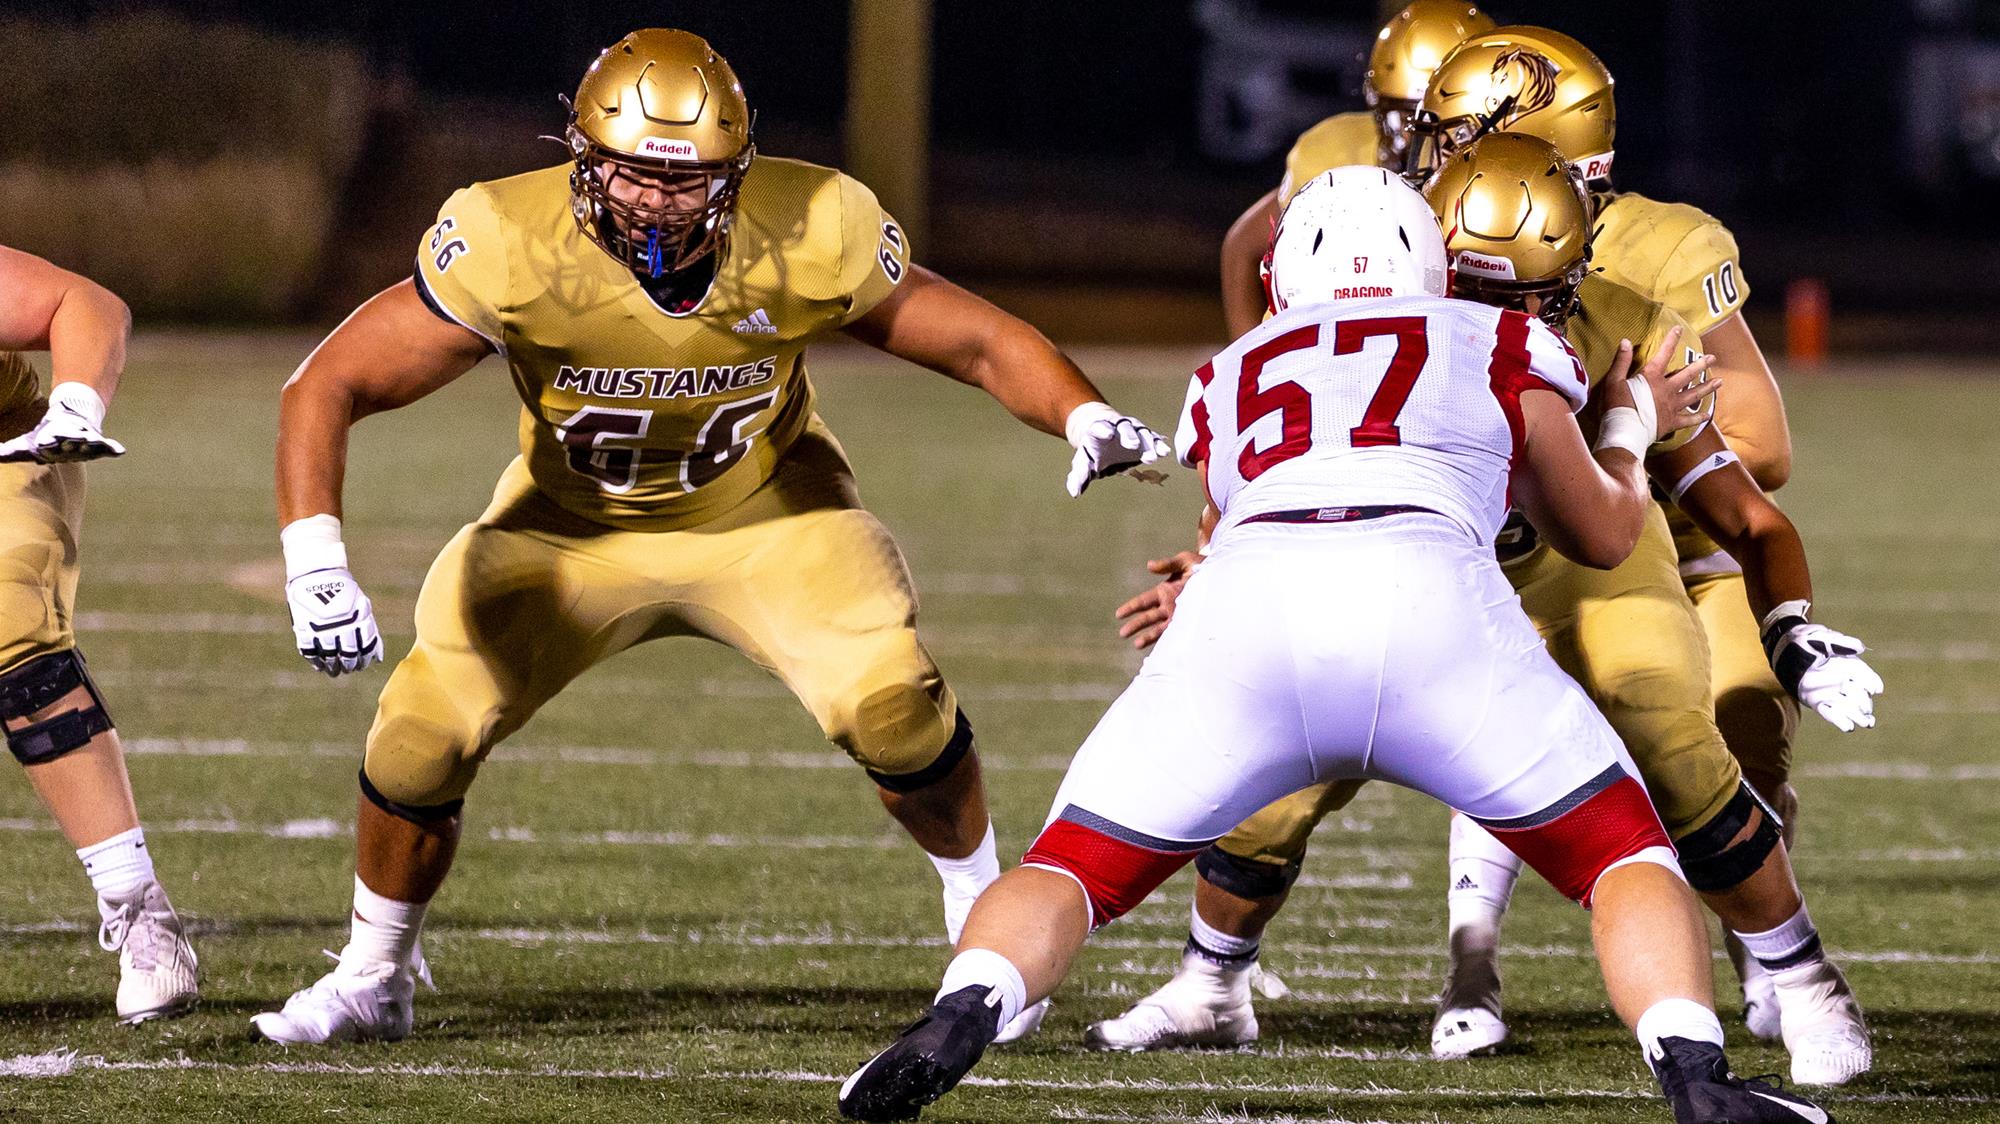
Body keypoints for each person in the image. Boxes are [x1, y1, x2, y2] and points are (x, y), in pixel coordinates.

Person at [838, 167, 1829, 1124]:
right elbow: (1604, 534)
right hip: (1431, 617)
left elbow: (1228, 529)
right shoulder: (1495, 336)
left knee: (1067, 866)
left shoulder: (1226, 375)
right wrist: (1626, 423)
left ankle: (962, 1008)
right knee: (1621, 855)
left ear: (1283, 279)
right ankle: (1694, 1074)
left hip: (1248, 622)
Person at [249, 27, 1166, 1046]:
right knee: (419, 732)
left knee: (893, 702)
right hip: (569, 528)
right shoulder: (507, 236)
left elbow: (977, 337)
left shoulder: (810, 221)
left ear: (738, 171)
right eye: (634, 173)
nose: (656, 201)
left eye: (688, 181)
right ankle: (375, 971)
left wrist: (1081, 413)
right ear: (581, 154)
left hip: (767, 515)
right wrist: (314, 562)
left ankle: (982, 921)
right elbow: (326, 382)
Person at [1097, 30, 1877, 1090]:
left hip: (1586, 569)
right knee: (1269, 761)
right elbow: (1294, 458)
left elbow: (1738, 504)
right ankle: (1210, 977)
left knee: (1664, 723)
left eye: (1548, 293)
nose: (1523, 322)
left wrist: (1786, 623)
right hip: (1417, 568)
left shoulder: (1623, 318)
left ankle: (1798, 972)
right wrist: (1223, 568)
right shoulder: (1376, 289)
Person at [0, 245, 199, 1023]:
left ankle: (139, 910)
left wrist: (75, 404)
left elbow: (81, 304)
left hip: (5, 451)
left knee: (9, 621)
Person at [1218, 0, 1495, 336]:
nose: (1421, 139)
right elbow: (1242, 247)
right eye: (1405, 116)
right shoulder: (1336, 153)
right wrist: (1247, 361)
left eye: (1448, 123)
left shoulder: (1512, 184)